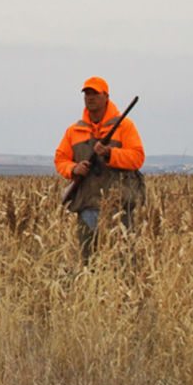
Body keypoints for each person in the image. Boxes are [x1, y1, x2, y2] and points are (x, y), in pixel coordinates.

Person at [55, 76, 145, 265]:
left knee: (124, 264)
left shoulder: (124, 126)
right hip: (87, 205)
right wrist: (73, 169)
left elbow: (137, 158)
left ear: (106, 97)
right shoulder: (74, 131)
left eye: (95, 93)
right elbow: (60, 159)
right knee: (90, 265)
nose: (90, 97)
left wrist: (110, 154)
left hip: (118, 208)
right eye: (87, 93)